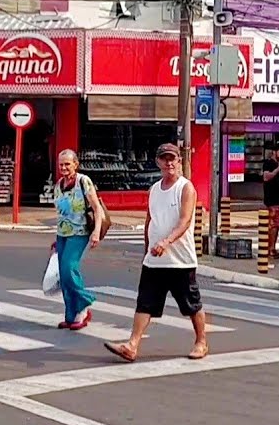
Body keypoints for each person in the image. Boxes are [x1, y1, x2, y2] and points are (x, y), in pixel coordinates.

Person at [104, 143, 209, 363]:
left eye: (173, 159)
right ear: (158, 162)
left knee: (191, 304)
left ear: (179, 161)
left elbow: (185, 221)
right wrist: (147, 251)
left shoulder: (185, 188)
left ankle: (201, 342)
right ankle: (132, 345)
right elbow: (149, 221)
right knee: (145, 303)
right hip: (154, 261)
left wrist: (166, 242)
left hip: (180, 260)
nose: (169, 163)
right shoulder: (154, 190)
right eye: (165, 159)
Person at [51, 149, 102, 330]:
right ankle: (71, 315)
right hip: (62, 234)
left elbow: (97, 208)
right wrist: (57, 238)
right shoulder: (58, 185)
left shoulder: (83, 181)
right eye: (61, 164)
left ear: (75, 164)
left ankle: (84, 304)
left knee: (69, 269)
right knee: (64, 277)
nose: (64, 168)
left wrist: (96, 232)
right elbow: (61, 214)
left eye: (67, 164)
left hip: (80, 232)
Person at [260, 143, 279, 268]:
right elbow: (266, 177)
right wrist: (278, 168)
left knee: (277, 225)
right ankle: (270, 249)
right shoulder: (268, 163)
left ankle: (272, 247)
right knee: (273, 225)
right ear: (274, 152)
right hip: (272, 200)